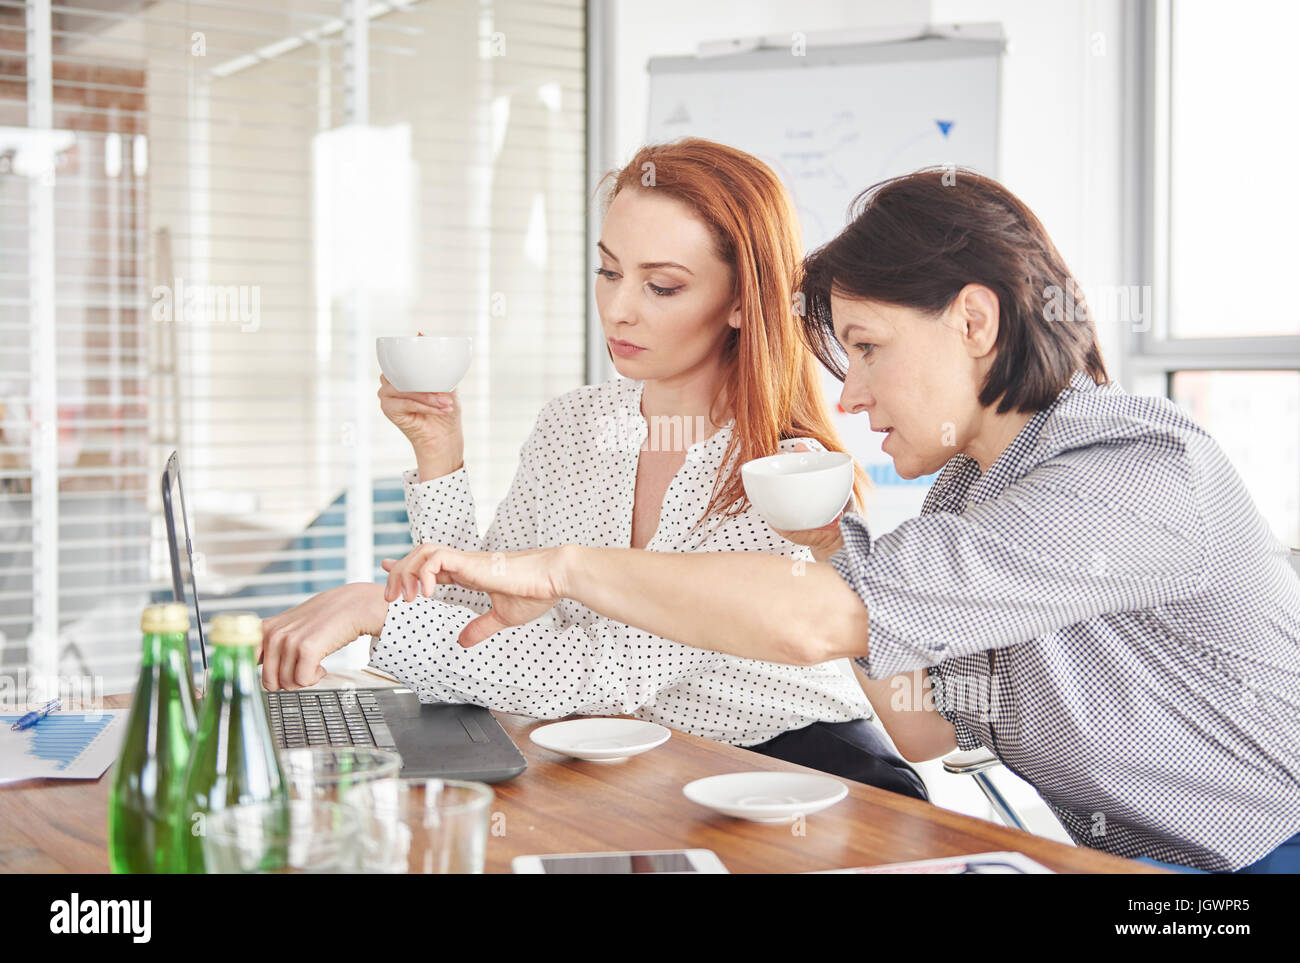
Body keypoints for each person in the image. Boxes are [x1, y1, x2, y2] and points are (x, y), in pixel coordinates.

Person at [382, 168, 1300, 873]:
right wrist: (831, 549)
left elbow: (819, 620)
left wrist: (562, 568)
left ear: (974, 319)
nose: (851, 396)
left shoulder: (1134, 470)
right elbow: (929, 734)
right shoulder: (968, 496)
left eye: (867, 348)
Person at [260, 138, 927, 800]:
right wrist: (440, 457)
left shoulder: (784, 480)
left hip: (800, 780)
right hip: (654, 777)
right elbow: (479, 617)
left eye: (661, 285)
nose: (618, 308)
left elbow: (605, 672)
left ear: (739, 302)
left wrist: (375, 609)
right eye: (609, 272)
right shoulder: (573, 425)